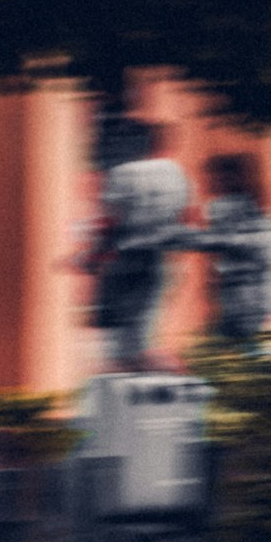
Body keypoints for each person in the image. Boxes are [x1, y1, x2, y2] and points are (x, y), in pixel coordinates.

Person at [80, 119, 192, 374]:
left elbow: (110, 222)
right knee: (144, 326)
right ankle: (145, 370)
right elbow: (186, 219)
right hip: (159, 259)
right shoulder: (177, 175)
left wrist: (94, 257)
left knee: (122, 337)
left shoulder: (122, 173)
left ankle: (138, 372)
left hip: (125, 258)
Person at [186, 151, 271, 351]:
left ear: (226, 178)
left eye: (211, 176)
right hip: (260, 287)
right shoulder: (255, 205)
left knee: (237, 344)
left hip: (240, 289)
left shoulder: (222, 206)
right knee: (248, 343)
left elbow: (217, 245)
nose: (205, 182)